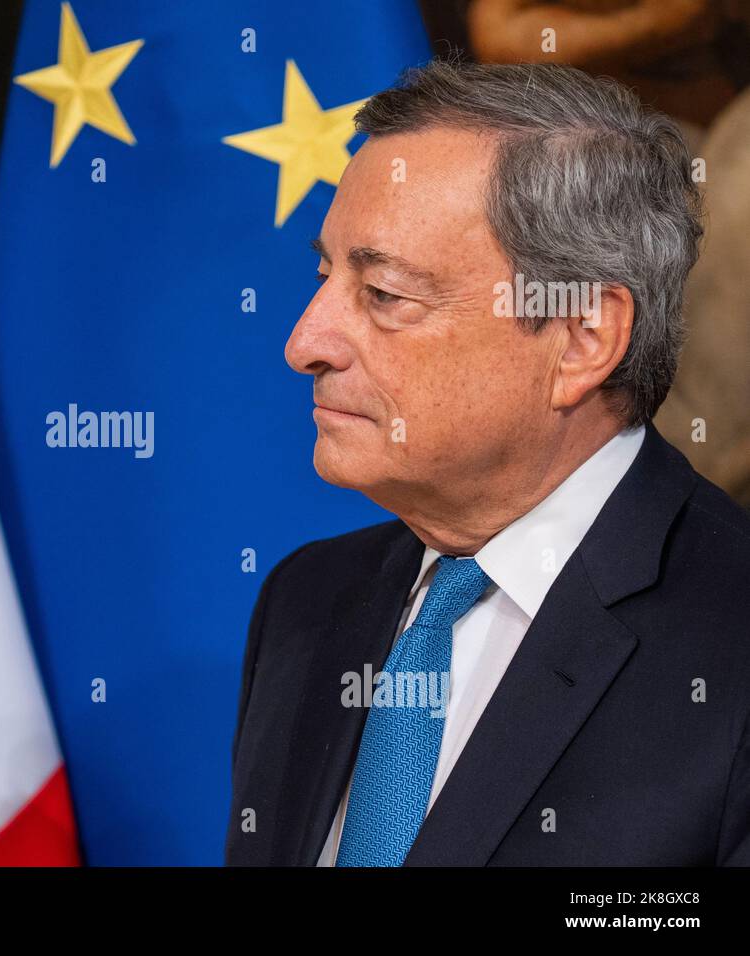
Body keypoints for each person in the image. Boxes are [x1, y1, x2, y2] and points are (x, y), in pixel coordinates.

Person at [225, 59, 750, 866]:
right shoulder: (306, 603)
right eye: (325, 275)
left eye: (385, 295)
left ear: (581, 338)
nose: (304, 343)